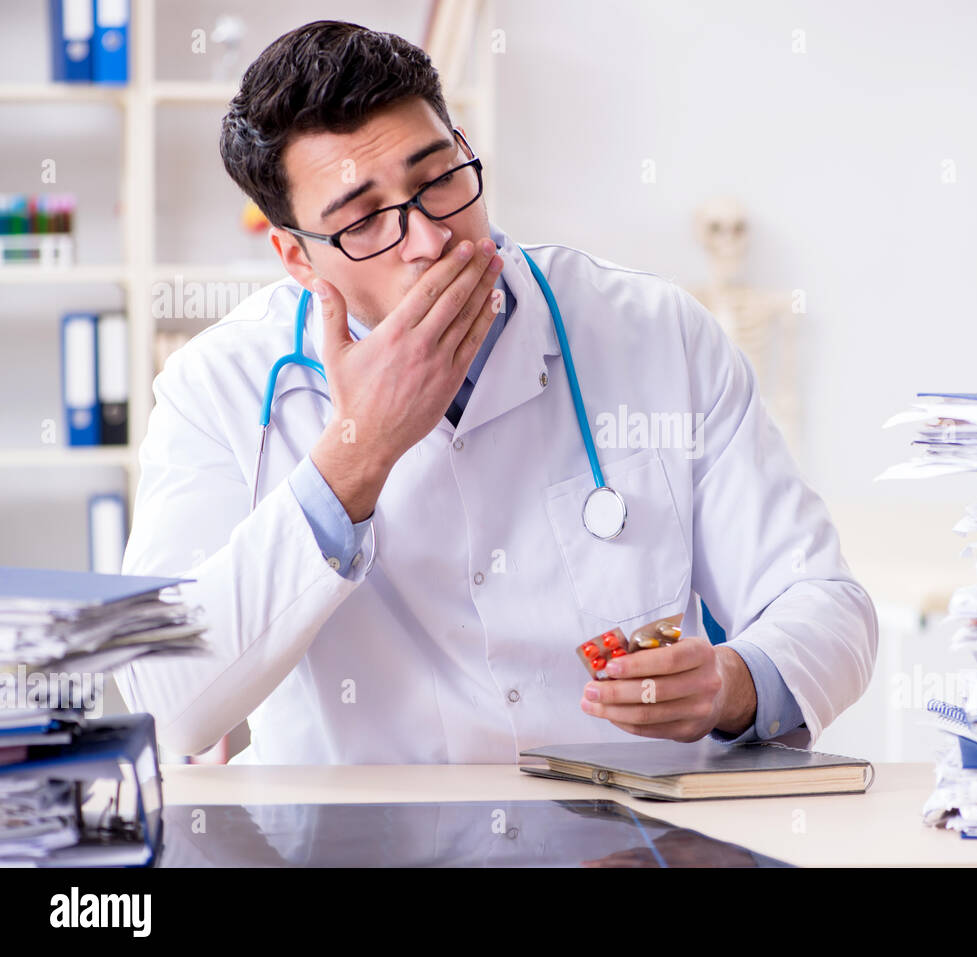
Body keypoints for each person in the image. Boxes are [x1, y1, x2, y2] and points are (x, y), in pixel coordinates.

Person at [118, 20, 877, 764]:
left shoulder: (653, 330)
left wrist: (736, 685)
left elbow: (829, 606)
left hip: (628, 839)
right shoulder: (217, 387)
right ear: (296, 257)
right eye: (364, 220)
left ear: (467, 151)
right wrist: (357, 456)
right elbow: (166, 700)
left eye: (437, 179)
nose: (428, 239)